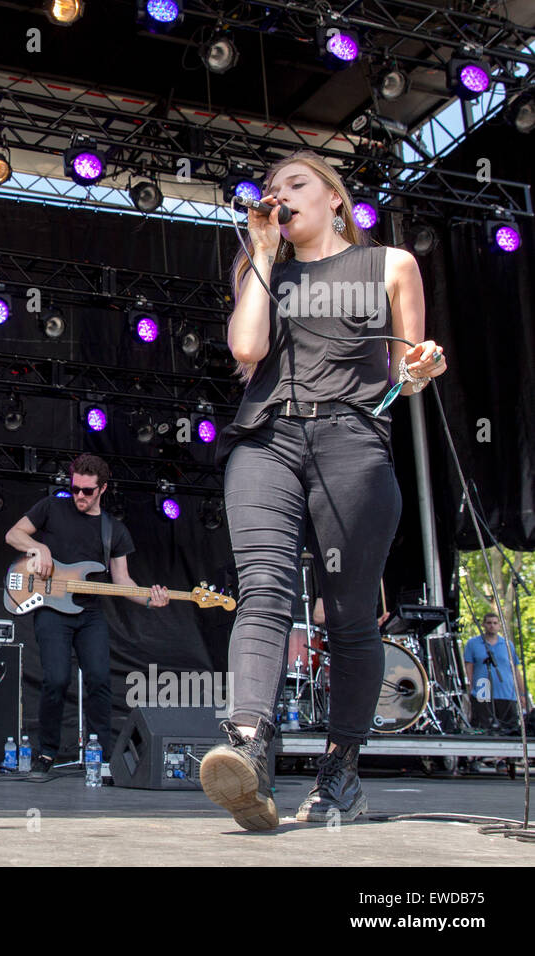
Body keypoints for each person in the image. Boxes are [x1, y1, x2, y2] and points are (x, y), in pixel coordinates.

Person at [197, 150, 448, 830]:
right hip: (266, 439)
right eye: (273, 189)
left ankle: (340, 774)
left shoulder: (390, 264)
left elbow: (406, 372)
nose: (281, 195)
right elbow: (247, 349)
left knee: (348, 616)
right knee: (264, 589)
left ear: (334, 199)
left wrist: (422, 367)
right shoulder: (261, 264)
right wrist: (261, 250)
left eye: (297, 185)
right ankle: (249, 747)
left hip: (352, 442)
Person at [4, 453, 169, 779]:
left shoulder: (114, 530)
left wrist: (150, 600)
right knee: (56, 679)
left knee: (99, 680)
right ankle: (47, 753)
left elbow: (122, 582)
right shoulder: (52, 507)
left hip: (90, 613)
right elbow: (13, 535)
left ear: (103, 489)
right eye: (76, 488)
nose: (79, 496)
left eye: (87, 491)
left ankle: (103, 757)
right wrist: (39, 548)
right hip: (52, 609)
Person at [464, 612, 528, 734]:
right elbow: (469, 667)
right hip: (483, 693)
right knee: (483, 730)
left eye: (495, 623)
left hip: (507, 693)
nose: (492, 626)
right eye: (489, 623)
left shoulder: (508, 644)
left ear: (499, 625)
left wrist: (522, 693)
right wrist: (471, 688)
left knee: (510, 731)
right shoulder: (473, 644)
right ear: (483, 625)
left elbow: (515, 669)